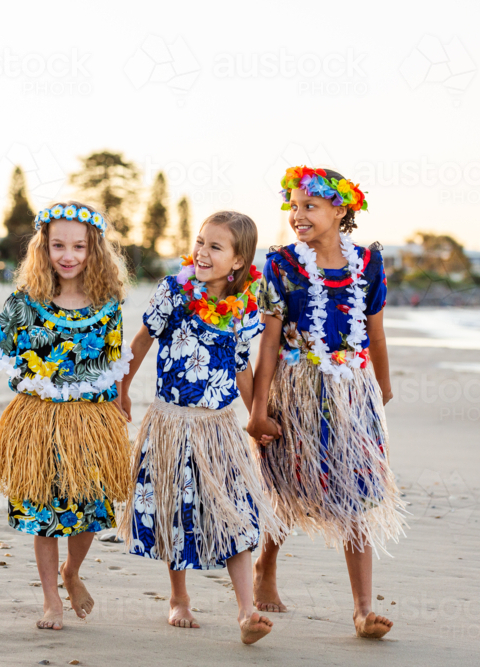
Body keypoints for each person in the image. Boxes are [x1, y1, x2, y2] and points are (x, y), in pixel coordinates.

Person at [0, 201, 132, 631]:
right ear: (43, 248)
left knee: (90, 509)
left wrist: (121, 404)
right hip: (37, 423)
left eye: (79, 247)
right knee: (42, 513)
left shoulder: (108, 304)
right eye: (58, 245)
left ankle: (72, 571)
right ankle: (51, 600)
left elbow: (115, 361)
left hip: (90, 422)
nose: (68, 255)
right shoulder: (26, 302)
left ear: (94, 250)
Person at [248, 166, 405, 639]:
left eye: (309, 207)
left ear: (340, 210)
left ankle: (362, 609)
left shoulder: (368, 264)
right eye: (293, 206)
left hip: (352, 392)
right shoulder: (280, 266)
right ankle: (265, 564)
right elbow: (269, 343)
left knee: (356, 489)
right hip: (295, 389)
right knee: (287, 486)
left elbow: (375, 331)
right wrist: (259, 409)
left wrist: (382, 387)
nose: (297, 215)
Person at [118, 211, 285, 645]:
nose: (202, 253)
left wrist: (255, 415)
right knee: (176, 510)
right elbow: (141, 341)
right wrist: (123, 389)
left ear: (238, 261)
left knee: (238, 511)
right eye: (200, 242)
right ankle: (179, 598)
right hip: (171, 421)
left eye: (216, 246)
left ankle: (247, 612)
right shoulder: (174, 291)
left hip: (218, 426)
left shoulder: (248, 304)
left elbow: (241, 365)